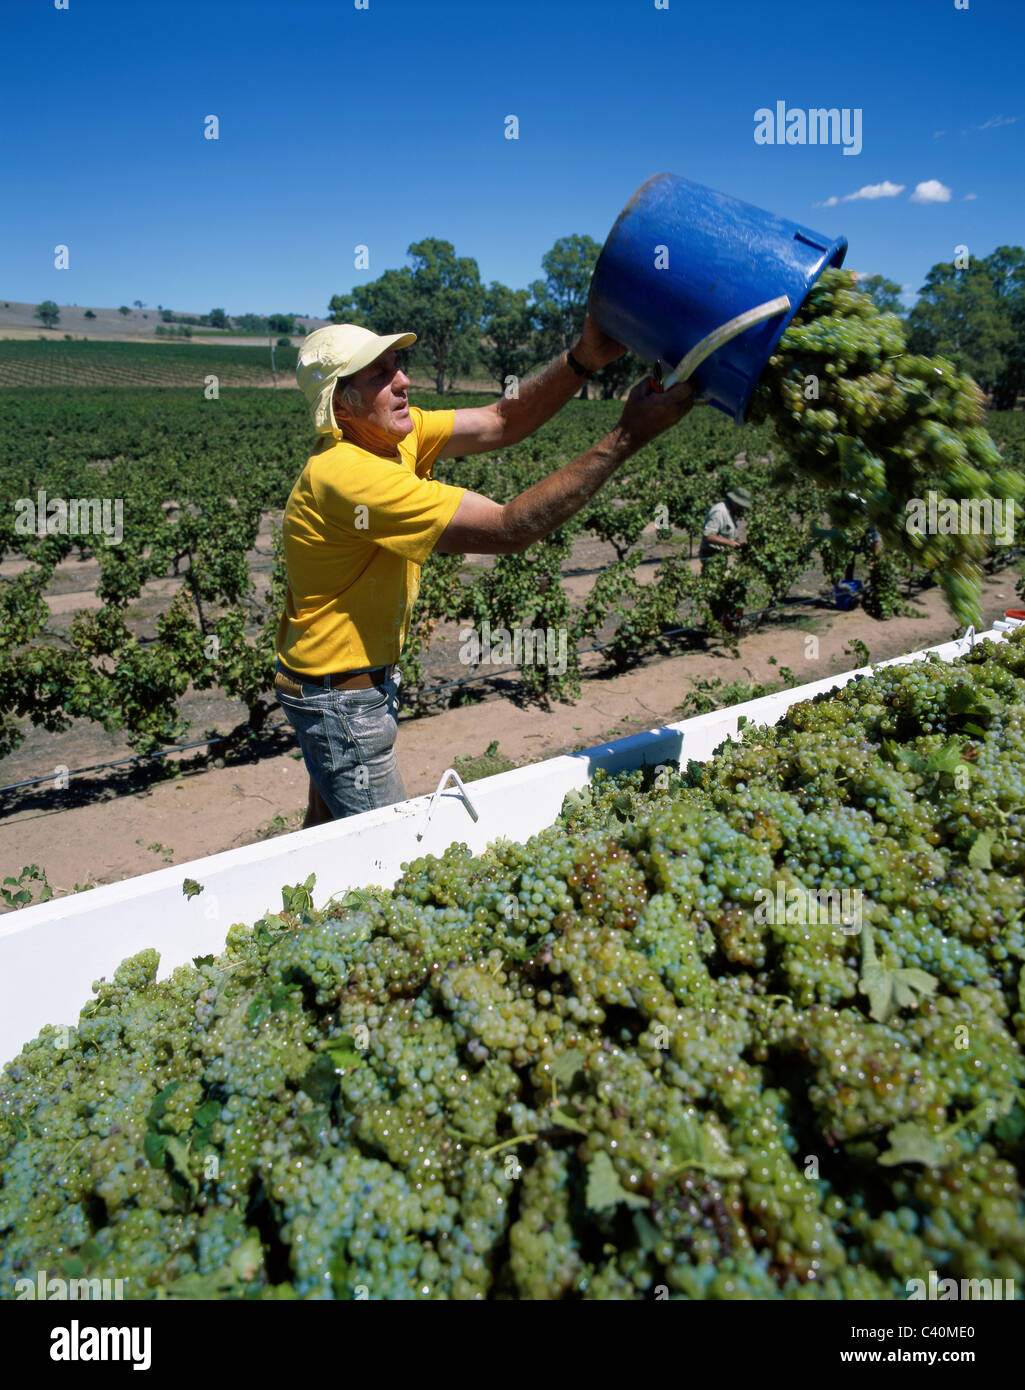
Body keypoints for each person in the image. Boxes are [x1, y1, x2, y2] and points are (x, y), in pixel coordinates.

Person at [276, 319, 694, 826]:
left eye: (397, 366)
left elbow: (502, 421)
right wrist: (627, 435)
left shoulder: (392, 438)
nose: (403, 381)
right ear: (343, 404)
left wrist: (582, 359)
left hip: (338, 690)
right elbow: (507, 527)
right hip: (341, 701)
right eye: (379, 375)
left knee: (324, 837)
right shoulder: (351, 477)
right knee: (381, 859)